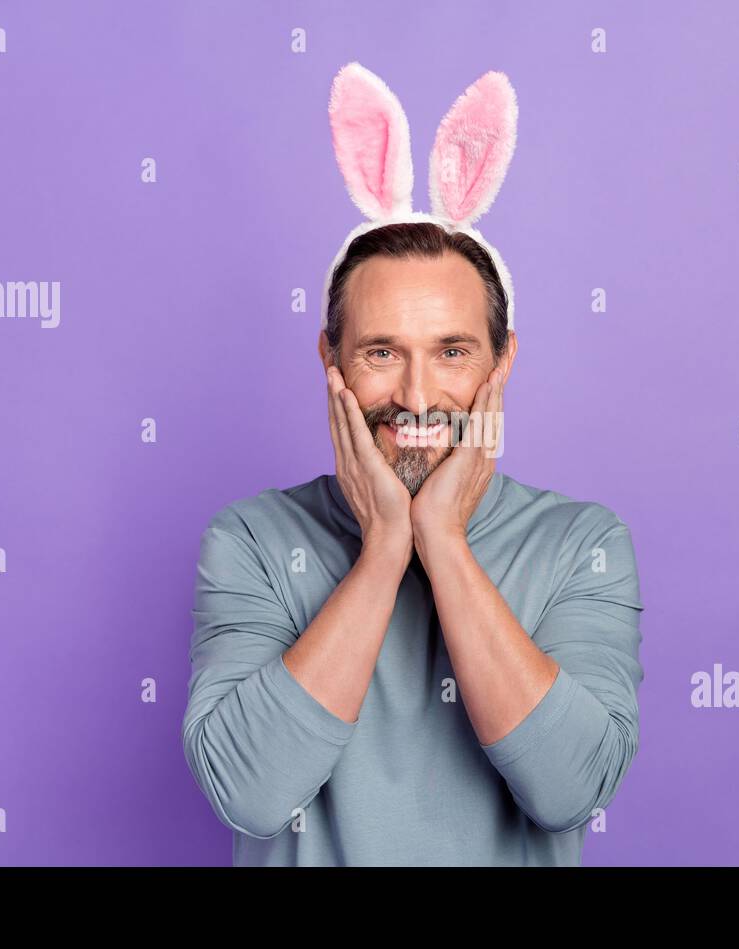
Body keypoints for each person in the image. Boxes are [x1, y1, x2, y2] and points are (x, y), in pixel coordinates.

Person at [180, 64, 645, 866]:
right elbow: (250, 795)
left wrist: (445, 542)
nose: (418, 394)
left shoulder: (583, 544)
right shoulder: (253, 539)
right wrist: (387, 548)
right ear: (330, 360)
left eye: (454, 352)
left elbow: (569, 789)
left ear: (503, 365)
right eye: (381, 352)